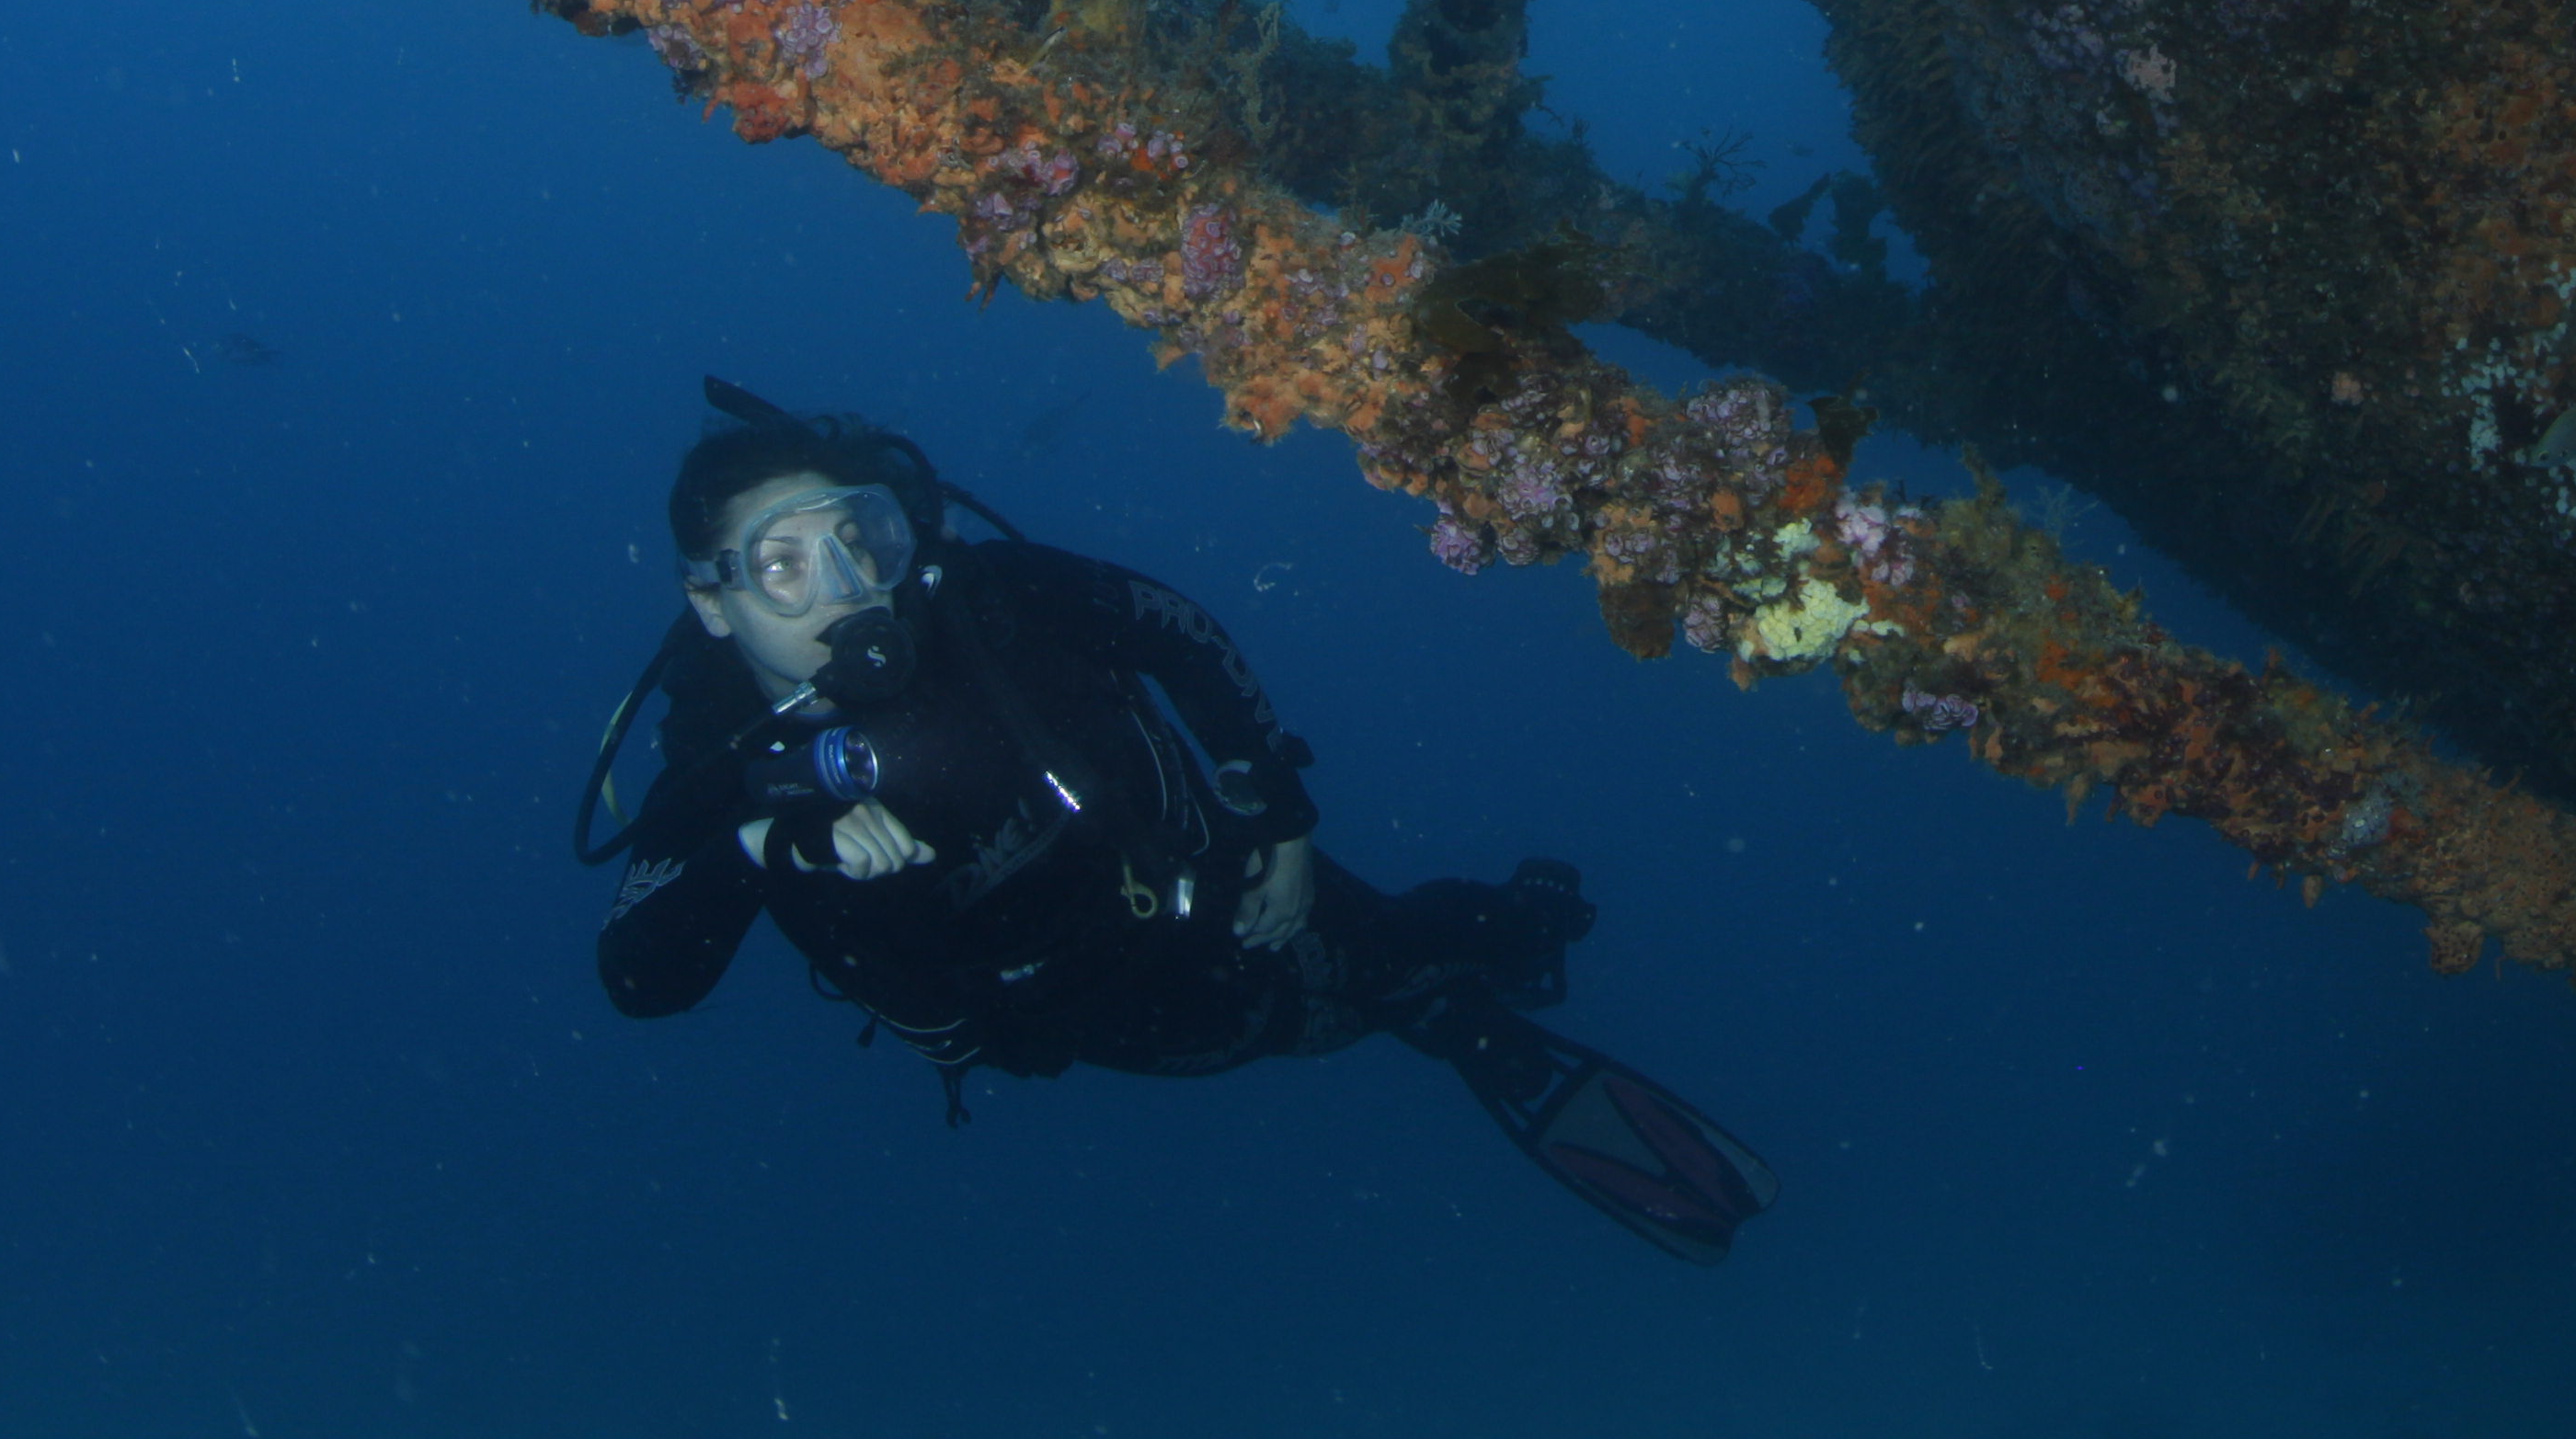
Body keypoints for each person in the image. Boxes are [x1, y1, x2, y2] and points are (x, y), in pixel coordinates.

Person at [577, 377, 1776, 1262]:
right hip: (1082, 1011)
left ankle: (1465, 979)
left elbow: (1174, 628)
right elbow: (641, 977)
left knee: (1384, 957)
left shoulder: (985, 603)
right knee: (1287, 1029)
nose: (850, 585)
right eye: (785, 566)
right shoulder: (721, 764)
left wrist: (1283, 815)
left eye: (863, 536)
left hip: (1221, 874)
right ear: (713, 601)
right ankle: (1434, 1002)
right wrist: (758, 842)